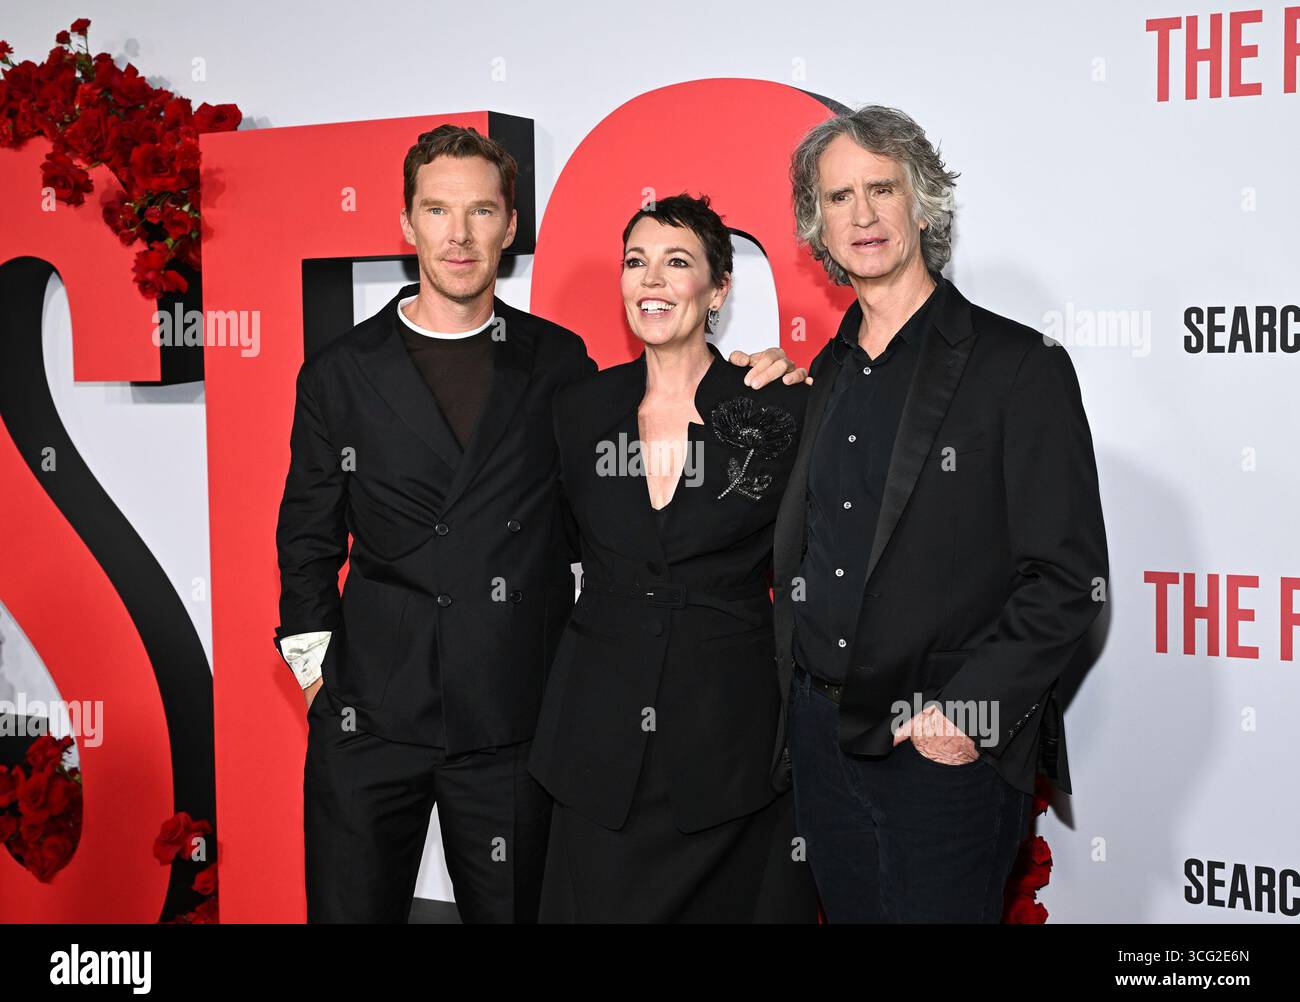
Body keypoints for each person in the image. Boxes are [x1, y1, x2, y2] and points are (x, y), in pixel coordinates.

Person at [274, 126, 805, 923]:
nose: (459, 235)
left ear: (510, 227)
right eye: (438, 210)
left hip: (512, 721)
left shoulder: (560, 368)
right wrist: (319, 684)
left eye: (481, 211)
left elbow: (600, 526)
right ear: (406, 224)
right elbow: (307, 539)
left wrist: (769, 380)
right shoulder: (339, 372)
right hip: (369, 717)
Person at [771, 105, 1108, 922]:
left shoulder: (1018, 365)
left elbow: (1067, 581)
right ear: (819, 224)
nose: (863, 215)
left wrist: (966, 716)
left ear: (922, 202)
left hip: (938, 756)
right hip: (819, 739)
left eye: (881, 188)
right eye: (840, 196)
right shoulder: (825, 373)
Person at [528, 194, 820, 922]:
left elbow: (814, 563)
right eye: (636, 262)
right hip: (597, 747)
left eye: (677, 262)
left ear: (718, 290)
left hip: (729, 748)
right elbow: (549, 547)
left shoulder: (778, 408)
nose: (651, 280)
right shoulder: (578, 411)